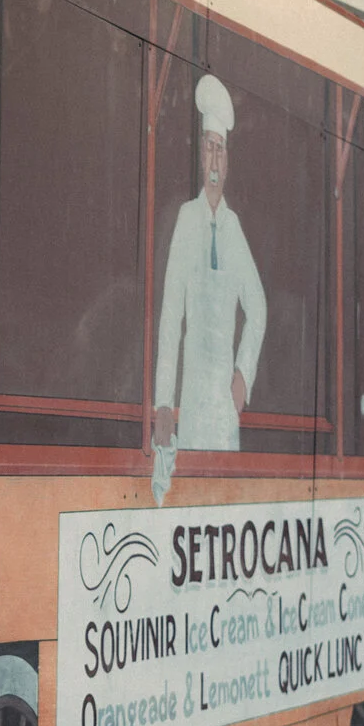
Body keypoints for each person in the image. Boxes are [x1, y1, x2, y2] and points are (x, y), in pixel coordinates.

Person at [152, 74, 268, 461]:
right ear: (200, 158)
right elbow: (170, 314)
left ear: (228, 161)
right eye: (208, 150)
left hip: (225, 406)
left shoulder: (233, 229)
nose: (214, 160)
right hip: (193, 398)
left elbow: (258, 309)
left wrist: (243, 377)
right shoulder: (187, 220)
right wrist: (163, 403)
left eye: (220, 151)